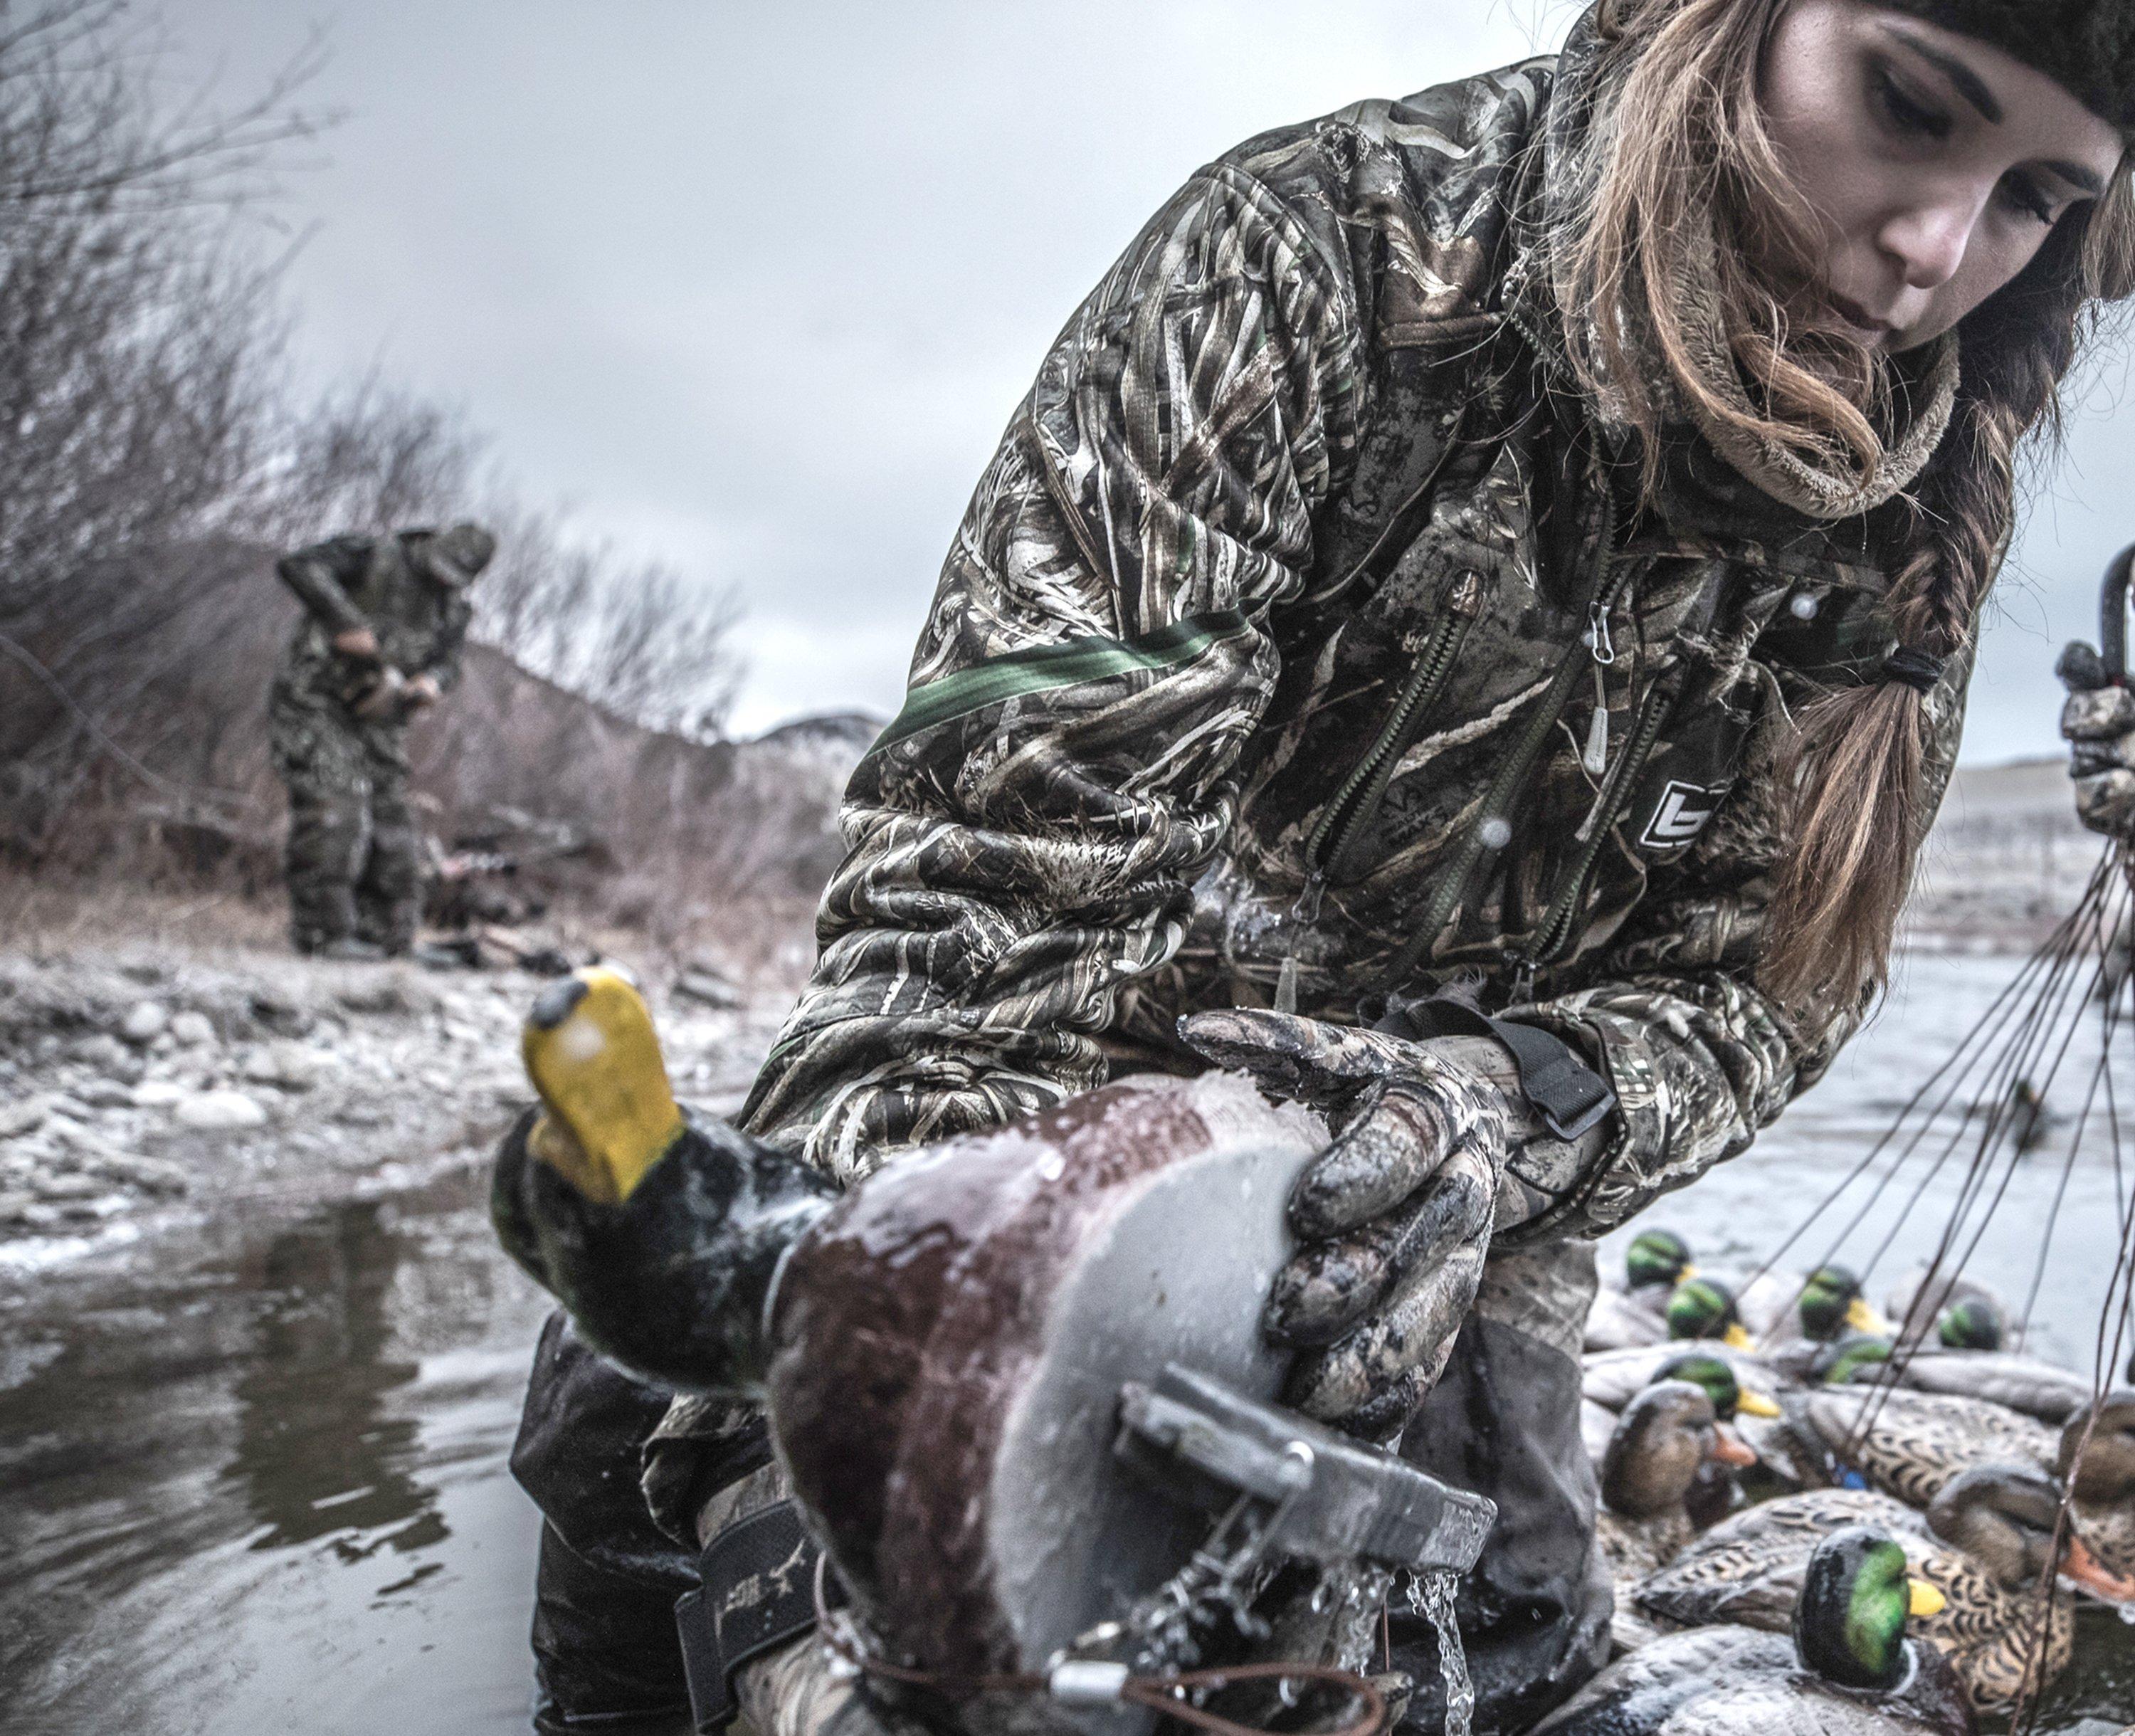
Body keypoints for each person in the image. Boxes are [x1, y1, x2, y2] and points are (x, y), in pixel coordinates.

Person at [511, 3, 2135, 1730]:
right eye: (1907, 104)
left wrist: (1494, 1113)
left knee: (1498, 1660)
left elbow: (1755, 1000)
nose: (1934, 251)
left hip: (1453, 1227)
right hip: (1063, 1123)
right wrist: (893, 1315)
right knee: (705, 1493)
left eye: (2034, 200)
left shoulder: (1911, 536)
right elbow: (984, 928)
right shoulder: (1305, 263)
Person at [268, 521, 497, 959]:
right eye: (440, 568)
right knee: (335, 807)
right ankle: (323, 935)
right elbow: (300, 566)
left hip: (382, 718)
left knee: (394, 825)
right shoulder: (373, 556)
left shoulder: (451, 609)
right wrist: (344, 622)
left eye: (454, 577)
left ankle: (389, 940)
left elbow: (450, 663)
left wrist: (432, 682)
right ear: (433, 545)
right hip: (317, 702)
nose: (442, 580)